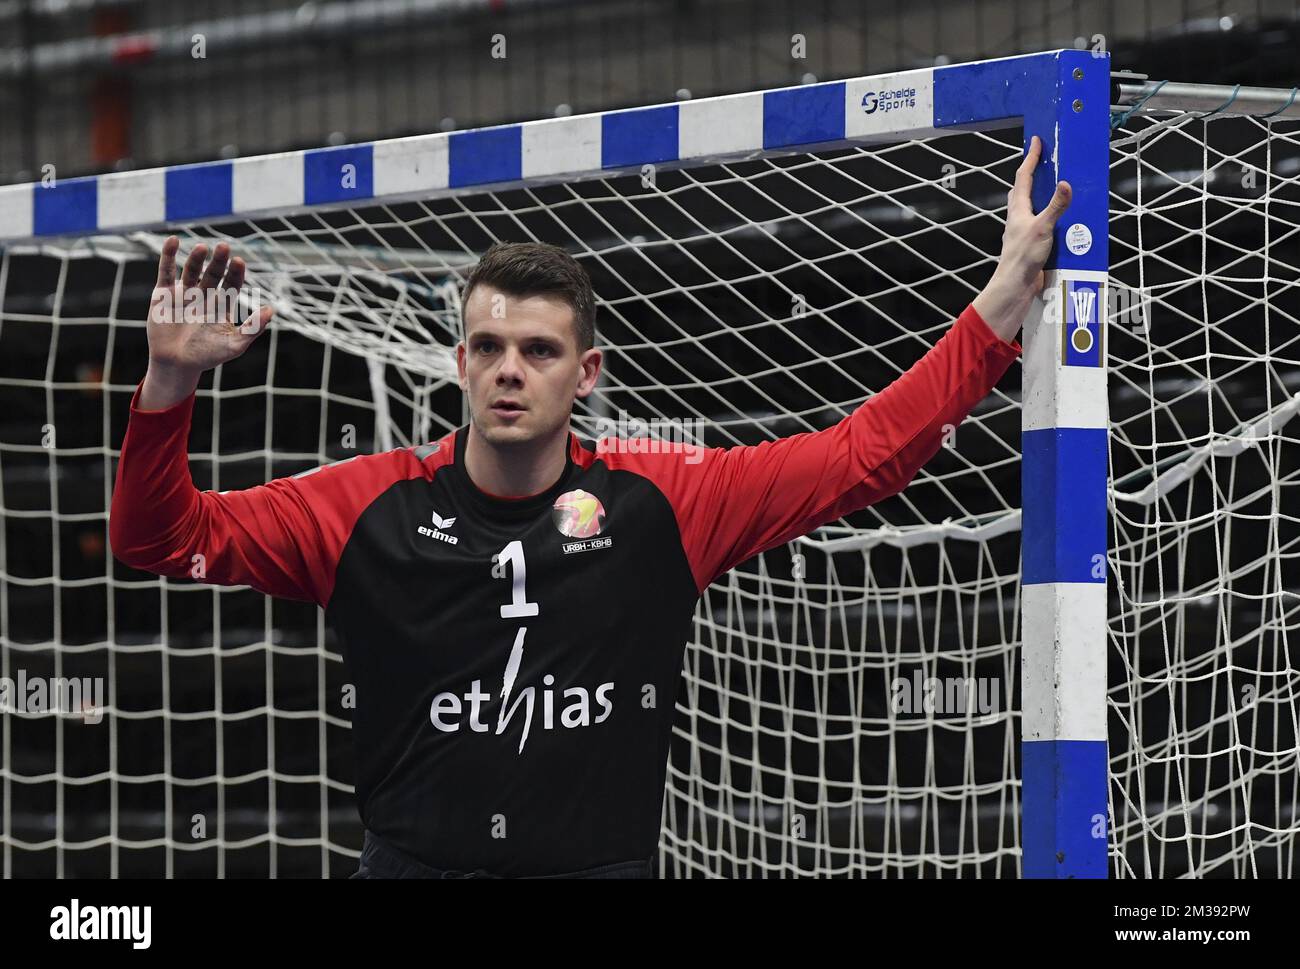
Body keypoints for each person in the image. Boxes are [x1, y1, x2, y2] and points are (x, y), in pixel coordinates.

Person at [109, 136, 1070, 878]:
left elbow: (862, 457)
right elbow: (160, 538)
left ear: (587, 373)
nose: (509, 371)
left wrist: (994, 311)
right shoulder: (366, 505)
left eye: (538, 350)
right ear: (459, 364)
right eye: (488, 349)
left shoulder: (661, 499)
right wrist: (165, 382)